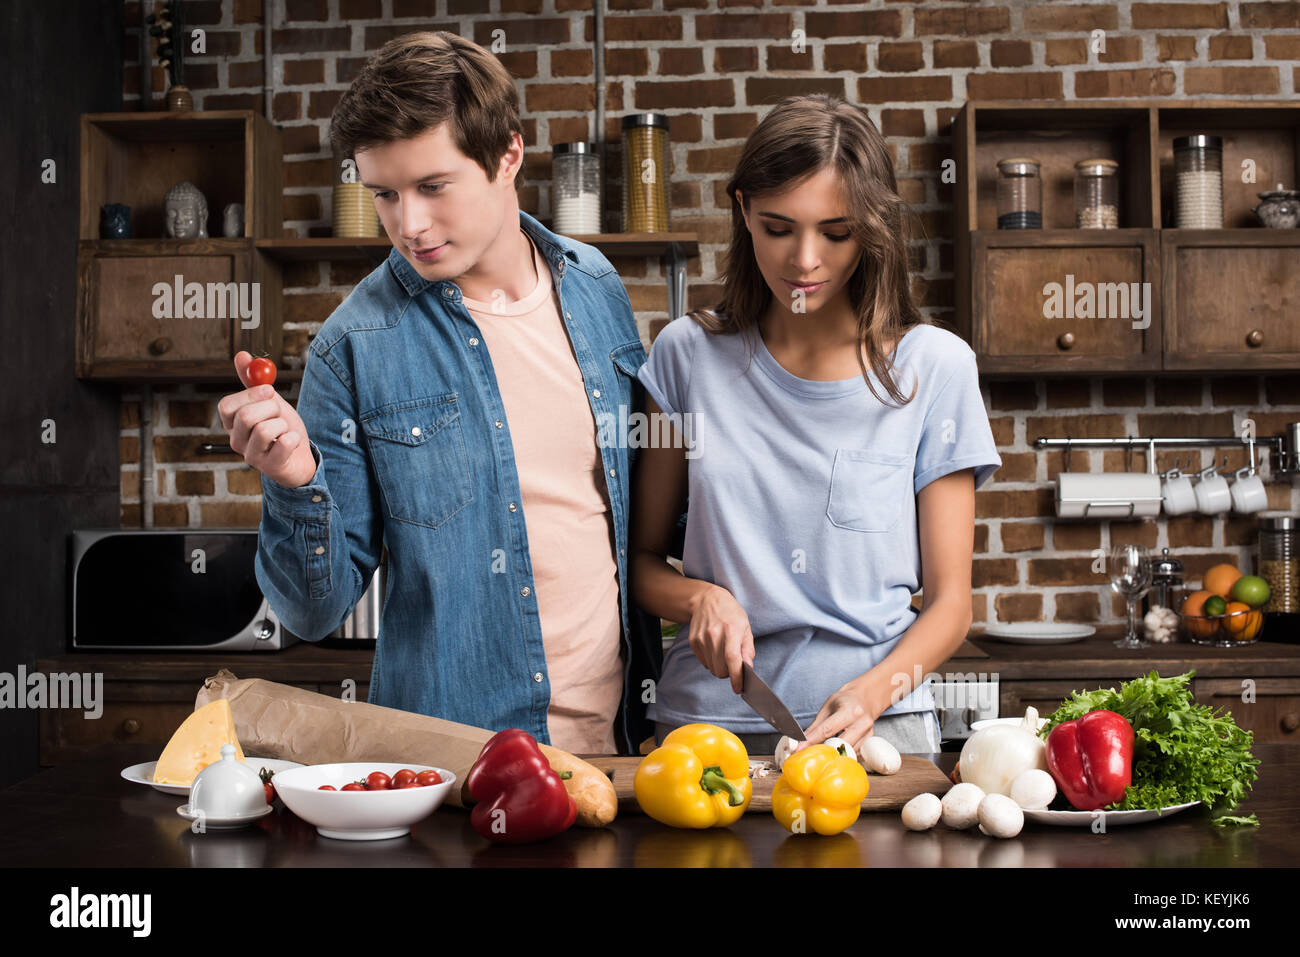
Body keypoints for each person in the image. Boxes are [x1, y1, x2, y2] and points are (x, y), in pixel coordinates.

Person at [217, 31, 661, 755]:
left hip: (622, 751)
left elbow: (636, 515)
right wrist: (295, 480)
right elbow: (311, 611)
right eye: (384, 194)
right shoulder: (353, 345)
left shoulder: (595, 284)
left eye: (432, 187)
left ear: (507, 155)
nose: (408, 226)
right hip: (456, 764)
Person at [631, 94, 1001, 756]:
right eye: (779, 228)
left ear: (874, 226)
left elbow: (951, 605)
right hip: (705, 730)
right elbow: (640, 563)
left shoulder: (936, 367)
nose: (805, 259)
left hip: (878, 730)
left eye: (836, 232)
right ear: (743, 209)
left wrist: (874, 691)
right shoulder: (685, 355)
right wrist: (698, 600)